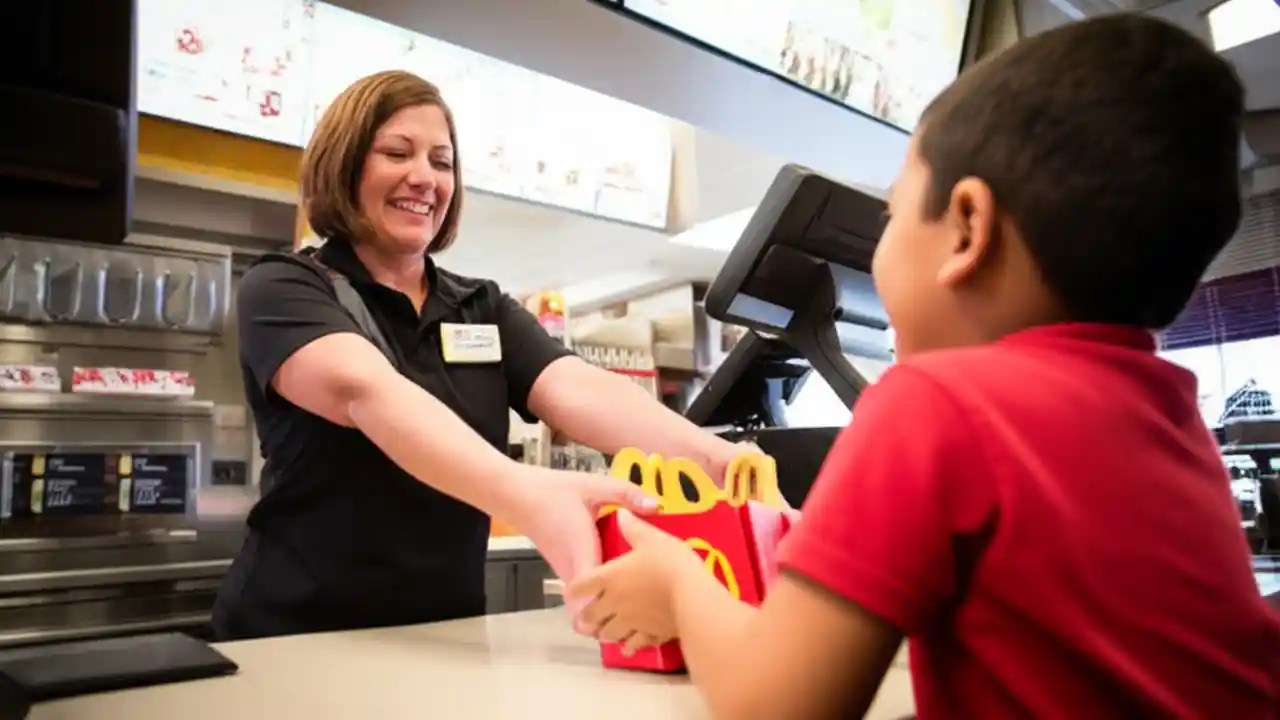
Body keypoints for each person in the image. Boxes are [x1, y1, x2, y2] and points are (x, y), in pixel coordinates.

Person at [568, 14, 1280, 719]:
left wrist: (679, 588)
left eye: (891, 215)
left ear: (968, 226)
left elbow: (775, 704)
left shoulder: (932, 404)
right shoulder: (1169, 410)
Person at [212, 70, 745, 641]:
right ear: (343, 166)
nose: (424, 178)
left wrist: (722, 463)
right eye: (397, 152)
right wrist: (526, 491)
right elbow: (364, 392)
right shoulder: (286, 286)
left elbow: (578, 388)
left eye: (442, 163)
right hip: (296, 637)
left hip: (446, 636)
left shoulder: (479, 305)